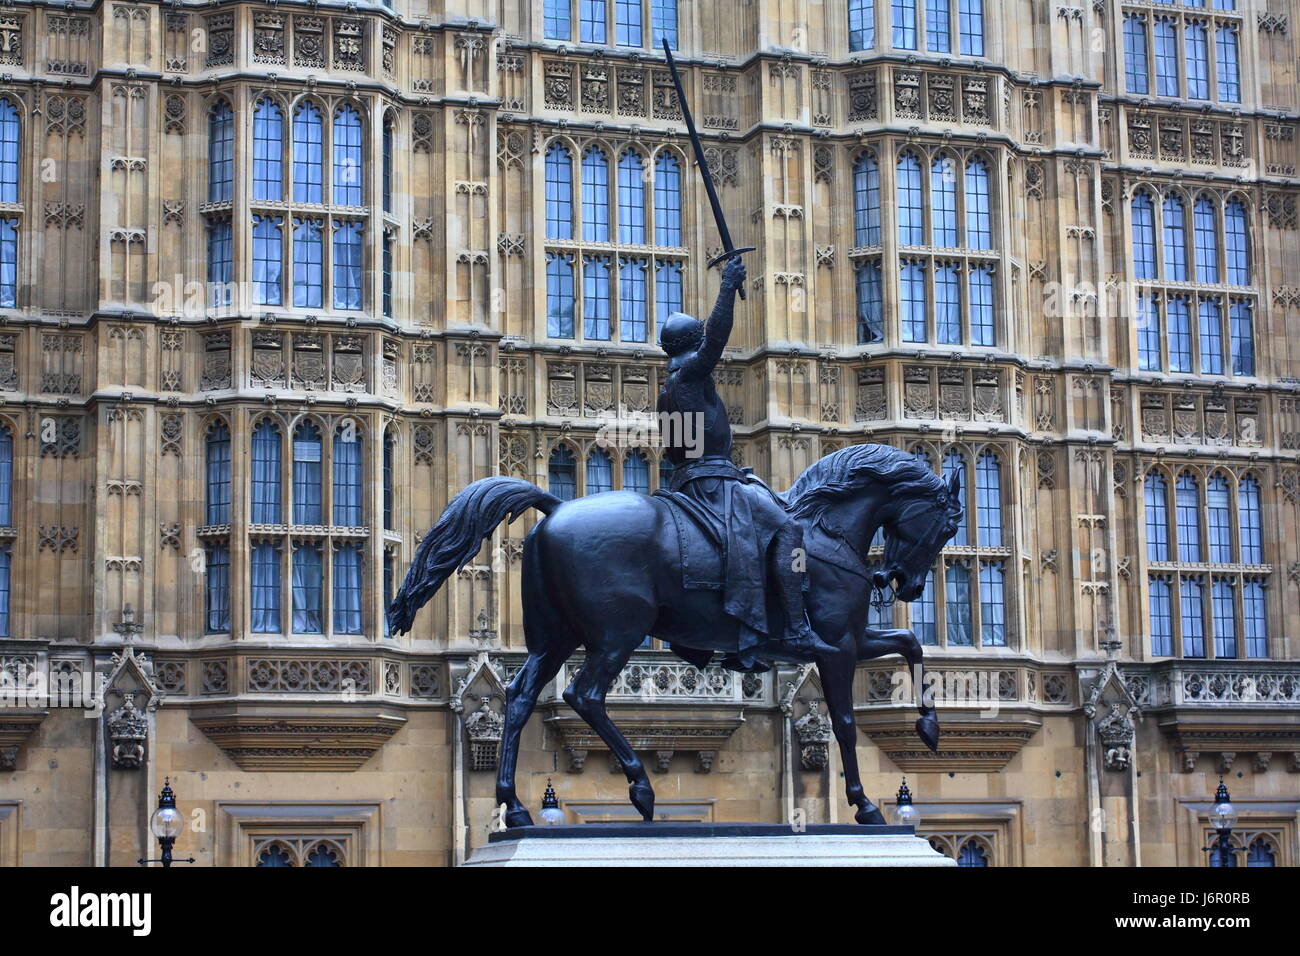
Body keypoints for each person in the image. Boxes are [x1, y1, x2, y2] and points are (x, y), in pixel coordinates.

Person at [655, 256, 837, 661]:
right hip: (712, 483)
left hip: (688, 480)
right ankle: (794, 629)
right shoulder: (689, 377)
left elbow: (676, 445)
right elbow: (717, 338)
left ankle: (741, 637)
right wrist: (727, 286)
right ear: (693, 345)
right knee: (788, 530)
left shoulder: (670, 386)